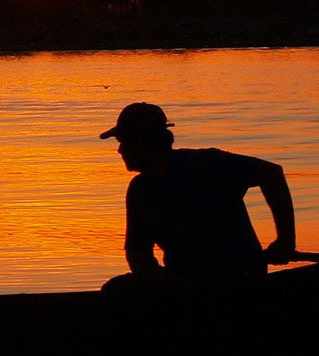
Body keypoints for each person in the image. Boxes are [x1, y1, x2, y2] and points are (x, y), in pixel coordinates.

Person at [98, 101, 295, 290]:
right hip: (181, 280)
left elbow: (272, 174)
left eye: (124, 142)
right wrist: (163, 279)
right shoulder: (140, 191)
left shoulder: (206, 164)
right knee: (116, 290)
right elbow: (138, 252)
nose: (120, 150)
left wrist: (285, 240)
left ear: (144, 141)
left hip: (237, 277)